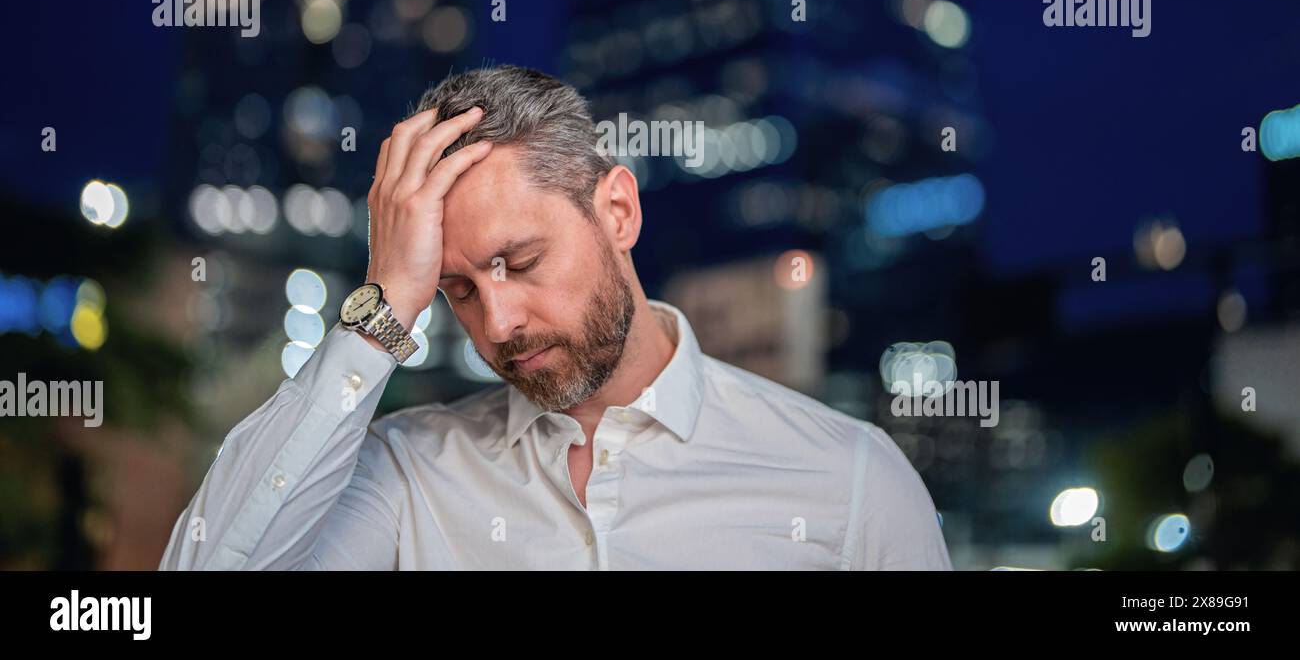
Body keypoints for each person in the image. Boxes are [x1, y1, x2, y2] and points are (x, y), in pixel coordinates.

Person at [159, 65, 952, 570]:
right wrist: (383, 304)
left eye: (520, 261)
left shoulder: (851, 479)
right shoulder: (407, 473)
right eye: (457, 289)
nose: (498, 323)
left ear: (617, 210)